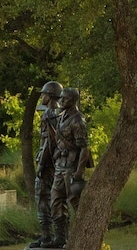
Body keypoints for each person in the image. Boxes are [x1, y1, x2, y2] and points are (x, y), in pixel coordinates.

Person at [44, 87, 93, 249]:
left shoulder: (78, 120)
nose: (61, 101)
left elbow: (84, 149)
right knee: (56, 201)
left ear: (72, 101)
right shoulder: (62, 115)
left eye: (65, 99)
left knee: (75, 203)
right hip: (60, 166)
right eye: (61, 98)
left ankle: (80, 238)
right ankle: (60, 238)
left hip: (71, 167)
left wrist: (79, 173)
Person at [28, 81, 64, 248]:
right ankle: (52, 237)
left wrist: (41, 165)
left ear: (50, 95)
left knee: (43, 197)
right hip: (54, 163)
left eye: (43, 94)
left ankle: (49, 236)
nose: (41, 96)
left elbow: (49, 144)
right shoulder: (59, 113)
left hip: (48, 164)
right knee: (52, 199)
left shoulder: (50, 114)